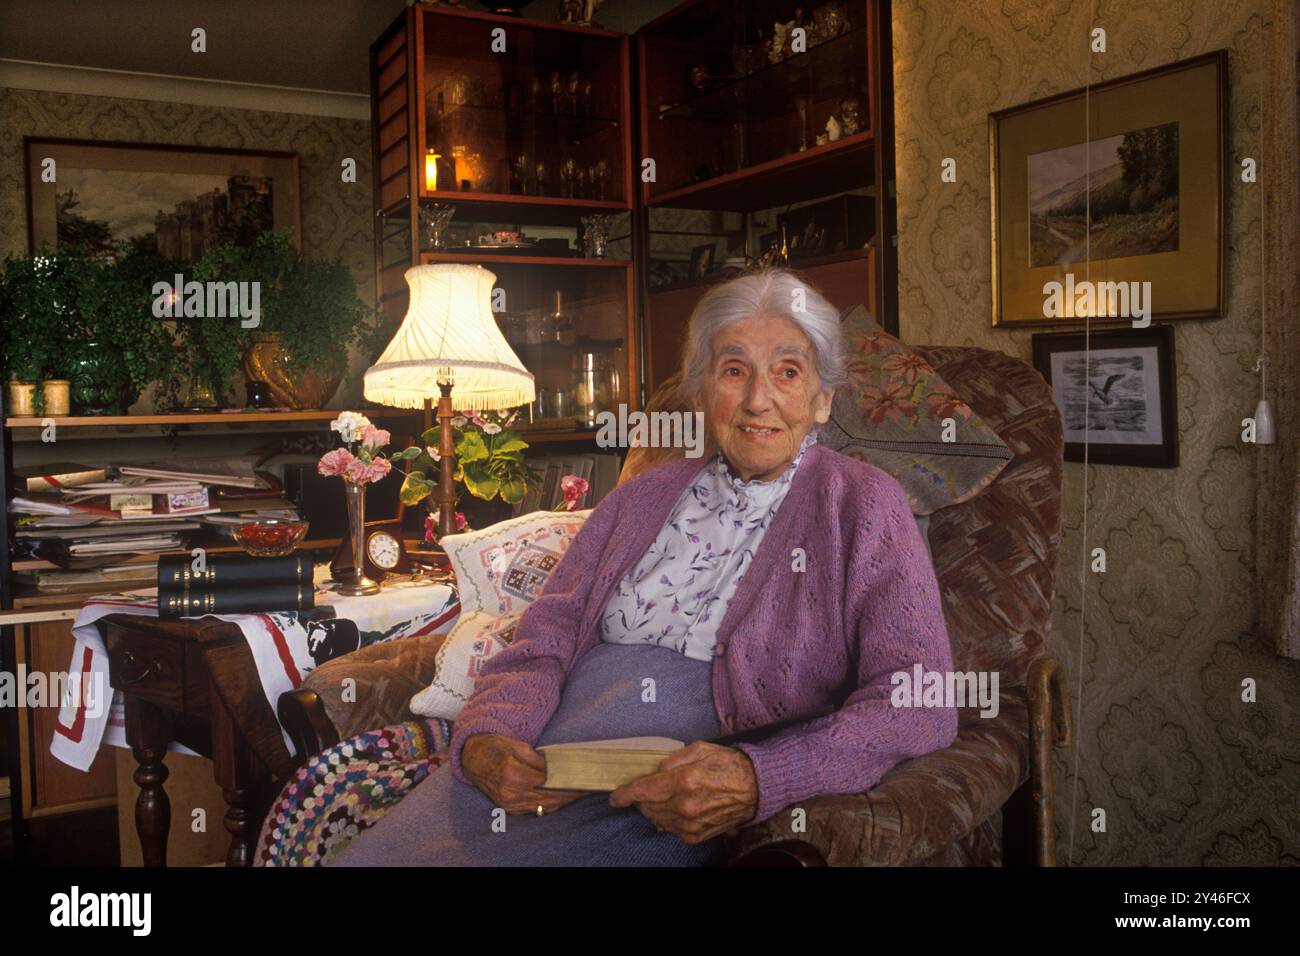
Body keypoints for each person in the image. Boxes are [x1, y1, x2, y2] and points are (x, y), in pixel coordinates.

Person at [329, 269, 957, 866]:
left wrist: (760, 776)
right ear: (702, 390)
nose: (758, 399)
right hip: (550, 750)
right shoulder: (644, 495)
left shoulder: (864, 504)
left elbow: (919, 701)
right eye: (734, 370)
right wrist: (490, 736)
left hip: (677, 784)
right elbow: (546, 635)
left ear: (821, 400)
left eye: (787, 372)